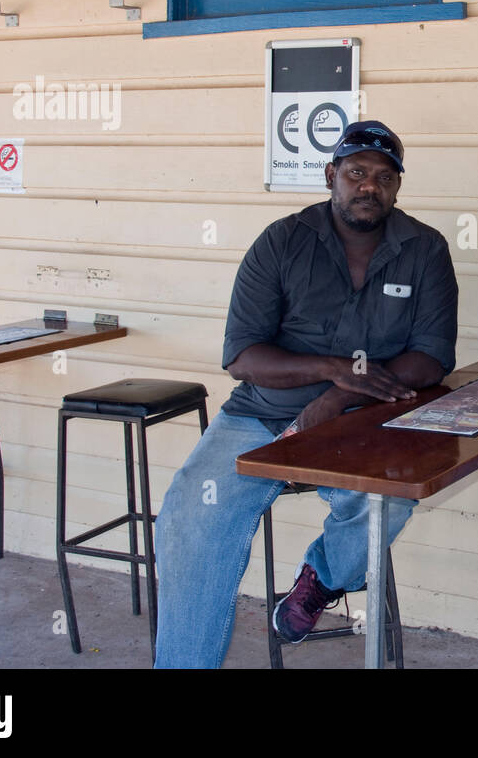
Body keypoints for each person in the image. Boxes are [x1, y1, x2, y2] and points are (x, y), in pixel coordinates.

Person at [153, 121, 458, 668]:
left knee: (388, 498)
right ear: (330, 177)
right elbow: (242, 356)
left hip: (369, 419)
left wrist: (339, 397)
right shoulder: (282, 241)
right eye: (357, 172)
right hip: (262, 415)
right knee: (190, 515)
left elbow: (433, 356)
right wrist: (332, 369)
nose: (370, 187)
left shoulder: (425, 249)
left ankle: (320, 578)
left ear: (397, 188)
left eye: (384, 178)